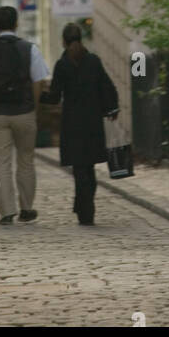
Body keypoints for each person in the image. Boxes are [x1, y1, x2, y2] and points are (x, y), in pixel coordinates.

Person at [0, 5, 51, 226]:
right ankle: (26, 208)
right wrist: (32, 107)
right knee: (26, 160)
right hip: (23, 111)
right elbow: (39, 81)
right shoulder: (29, 49)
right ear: (16, 24)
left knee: (2, 163)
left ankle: (6, 212)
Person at [40, 23, 119, 225]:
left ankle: (83, 207)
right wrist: (111, 109)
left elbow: (55, 97)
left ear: (63, 41)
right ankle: (86, 206)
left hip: (72, 123)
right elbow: (107, 87)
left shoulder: (63, 64)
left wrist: (39, 97)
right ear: (81, 39)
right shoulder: (93, 61)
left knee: (79, 169)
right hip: (92, 122)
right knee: (89, 168)